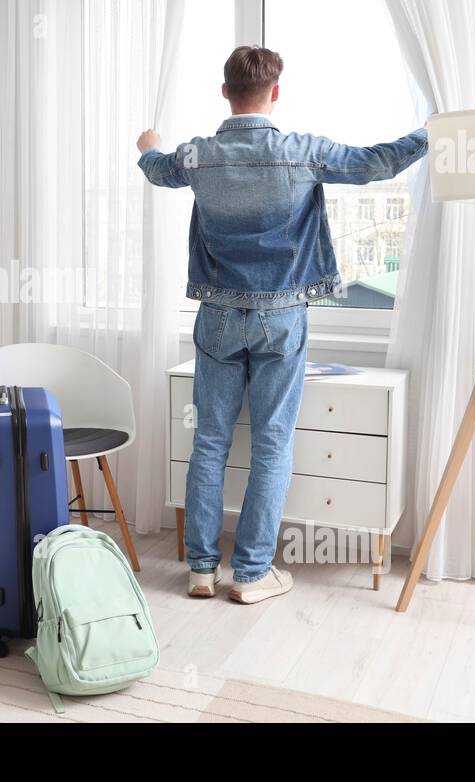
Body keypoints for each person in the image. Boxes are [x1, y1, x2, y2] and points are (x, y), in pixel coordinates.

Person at [136, 45, 427, 604]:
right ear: (276, 93)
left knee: (210, 442)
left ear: (225, 92)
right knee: (271, 443)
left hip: (218, 317)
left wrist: (149, 146)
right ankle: (250, 575)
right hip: (281, 319)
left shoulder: (199, 156)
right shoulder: (304, 152)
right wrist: (427, 134)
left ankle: (200, 570)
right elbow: (378, 163)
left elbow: (156, 168)